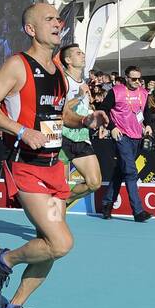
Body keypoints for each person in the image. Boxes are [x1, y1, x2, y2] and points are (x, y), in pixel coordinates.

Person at [0, 2, 101, 308]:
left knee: (50, 246)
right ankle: (4, 260)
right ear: (31, 29)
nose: (58, 23)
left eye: (59, 19)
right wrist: (20, 130)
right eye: (49, 19)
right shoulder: (17, 65)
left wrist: (86, 119)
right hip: (25, 165)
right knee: (61, 243)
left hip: (54, 166)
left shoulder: (59, 72)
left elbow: (60, 118)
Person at [95, 64, 153, 222]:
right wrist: (111, 127)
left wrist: (148, 125)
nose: (137, 82)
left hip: (137, 136)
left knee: (121, 171)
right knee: (131, 171)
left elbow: (146, 112)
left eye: (139, 79)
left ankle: (106, 204)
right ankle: (138, 211)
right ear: (126, 78)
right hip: (121, 135)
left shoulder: (143, 92)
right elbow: (104, 109)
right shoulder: (116, 91)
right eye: (133, 79)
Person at [57, 43, 103, 208]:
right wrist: (80, 95)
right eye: (78, 53)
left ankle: (65, 200)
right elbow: (61, 109)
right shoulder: (63, 81)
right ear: (68, 60)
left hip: (81, 137)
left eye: (82, 52)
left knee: (94, 183)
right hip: (61, 138)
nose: (83, 55)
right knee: (57, 187)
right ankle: (50, 223)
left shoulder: (83, 81)